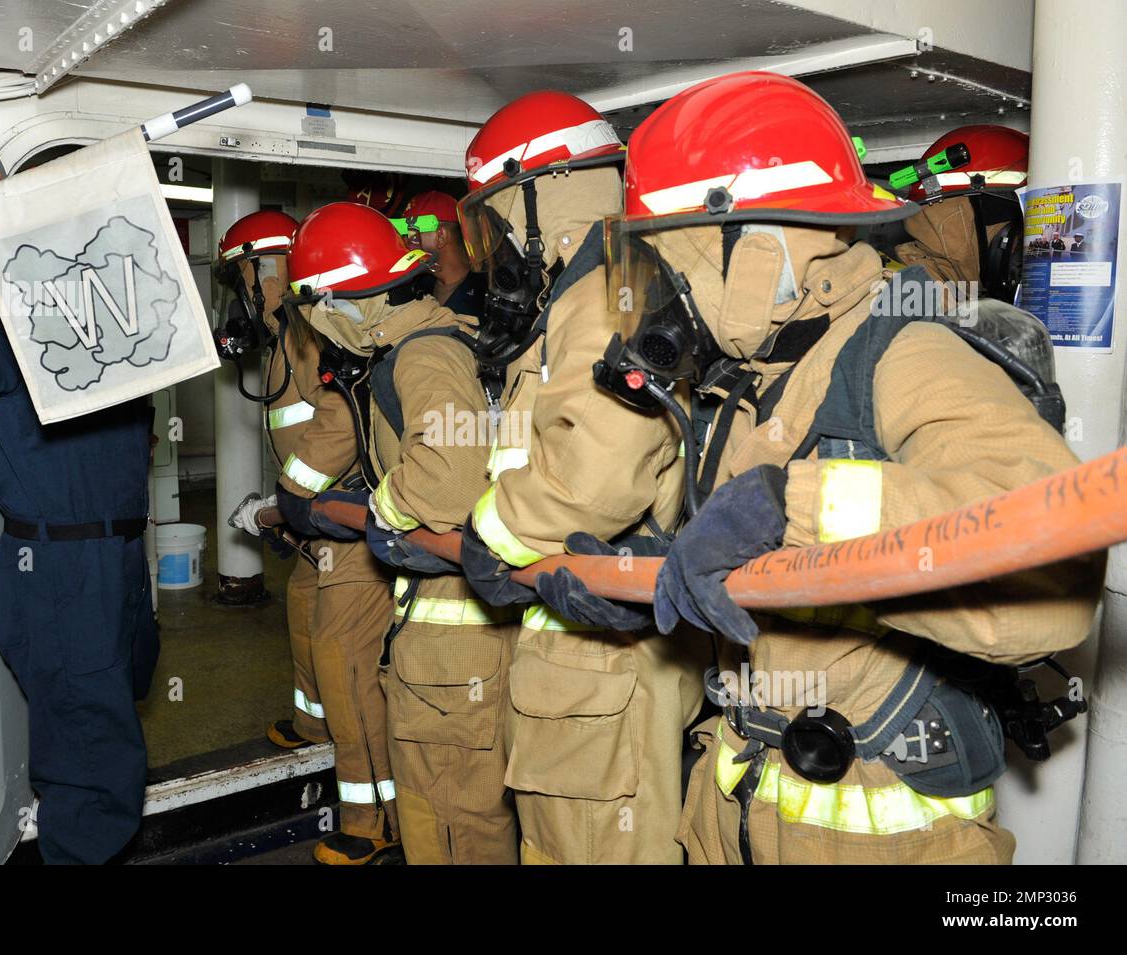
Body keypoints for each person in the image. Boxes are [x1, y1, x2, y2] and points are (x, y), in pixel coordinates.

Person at [620, 71, 1104, 864]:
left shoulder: (900, 351)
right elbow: (740, 575)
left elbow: (1055, 577)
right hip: (737, 807)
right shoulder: (750, 379)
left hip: (877, 835)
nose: (659, 296)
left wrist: (794, 504)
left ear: (759, 252)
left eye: (674, 264)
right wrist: (635, 582)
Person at [458, 91, 706, 864]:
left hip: (603, 680)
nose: (492, 245)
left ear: (543, 196)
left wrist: (486, 534)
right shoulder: (591, 286)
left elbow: (599, 475)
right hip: (588, 659)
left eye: (495, 220)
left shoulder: (605, 293)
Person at [0, 172, 160, 864]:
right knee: (92, 776)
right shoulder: (12, 327)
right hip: (61, 573)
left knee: (106, 739)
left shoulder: (120, 317)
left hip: (118, 564)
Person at [289, 201, 521, 864]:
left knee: (451, 817)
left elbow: (444, 487)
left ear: (335, 305)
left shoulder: (420, 359)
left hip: (454, 639)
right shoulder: (437, 341)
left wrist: (364, 508)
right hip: (452, 616)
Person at [220, 211, 400, 866]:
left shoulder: (308, 332)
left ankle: (376, 816)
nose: (238, 290)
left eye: (242, 274)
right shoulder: (284, 335)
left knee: (344, 660)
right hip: (315, 521)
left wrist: (283, 505)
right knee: (301, 610)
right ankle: (312, 726)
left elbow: (345, 417)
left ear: (265, 268)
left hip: (346, 520)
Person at [893, 125, 1055, 378]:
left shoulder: (947, 299)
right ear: (962, 218)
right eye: (1019, 236)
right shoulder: (906, 309)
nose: (1023, 254)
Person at [396, 190, 486, 319]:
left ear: (440, 237)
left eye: (409, 234)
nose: (404, 243)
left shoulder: (486, 298)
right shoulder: (417, 286)